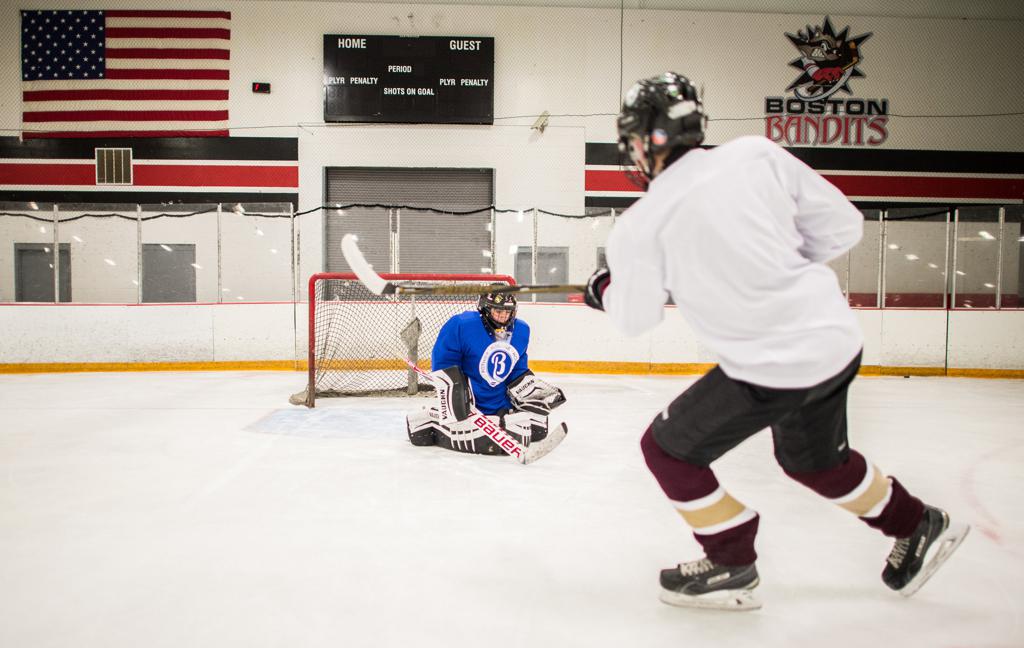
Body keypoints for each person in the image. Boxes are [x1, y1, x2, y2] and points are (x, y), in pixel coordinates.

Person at [583, 71, 969, 610]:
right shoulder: (756, 156)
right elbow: (843, 228)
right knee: (816, 463)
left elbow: (634, 317)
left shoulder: (640, 226)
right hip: (834, 342)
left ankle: (730, 559)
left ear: (650, 139)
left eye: (631, 140)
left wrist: (605, 288)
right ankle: (918, 523)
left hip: (769, 369)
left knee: (667, 452)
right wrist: (770, 269)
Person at [406, 292, 566, 456]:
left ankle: (497, 415)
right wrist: (455, 393)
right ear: (485, 310)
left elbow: (517, 369)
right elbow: (444, 360)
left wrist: (529, 390)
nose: (503, 316)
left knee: (538, 430)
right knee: (486, 442)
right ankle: (431, 418)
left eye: (507, 312)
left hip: (500, 401)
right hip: (469, 400)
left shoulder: (522, 330)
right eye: (498, 311)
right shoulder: (462, 325)